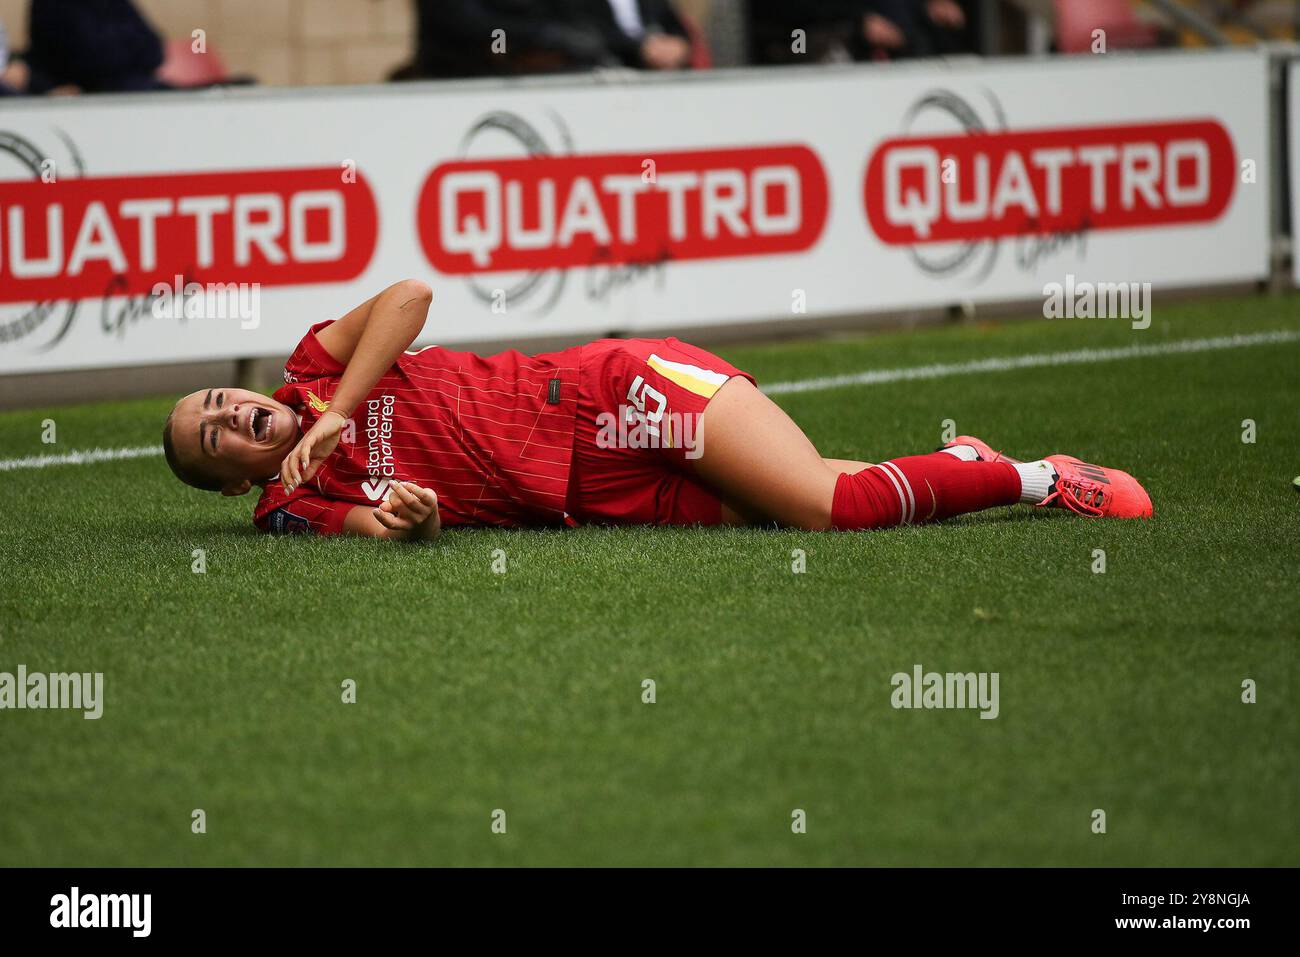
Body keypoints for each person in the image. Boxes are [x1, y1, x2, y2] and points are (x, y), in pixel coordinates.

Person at [161, 280, 1152, 541]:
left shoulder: (311, 371)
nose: (232, 417)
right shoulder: (287, 509)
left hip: (609, 395)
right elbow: (379, 526)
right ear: (230, 481)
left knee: (824, 509)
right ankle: (971, 460)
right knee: (825, 498)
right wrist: (409, 520)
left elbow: (412, 296)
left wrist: (339, 408)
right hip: (592, 493)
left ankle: (1039, 477)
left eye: (221, 401)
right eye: (215, 440)